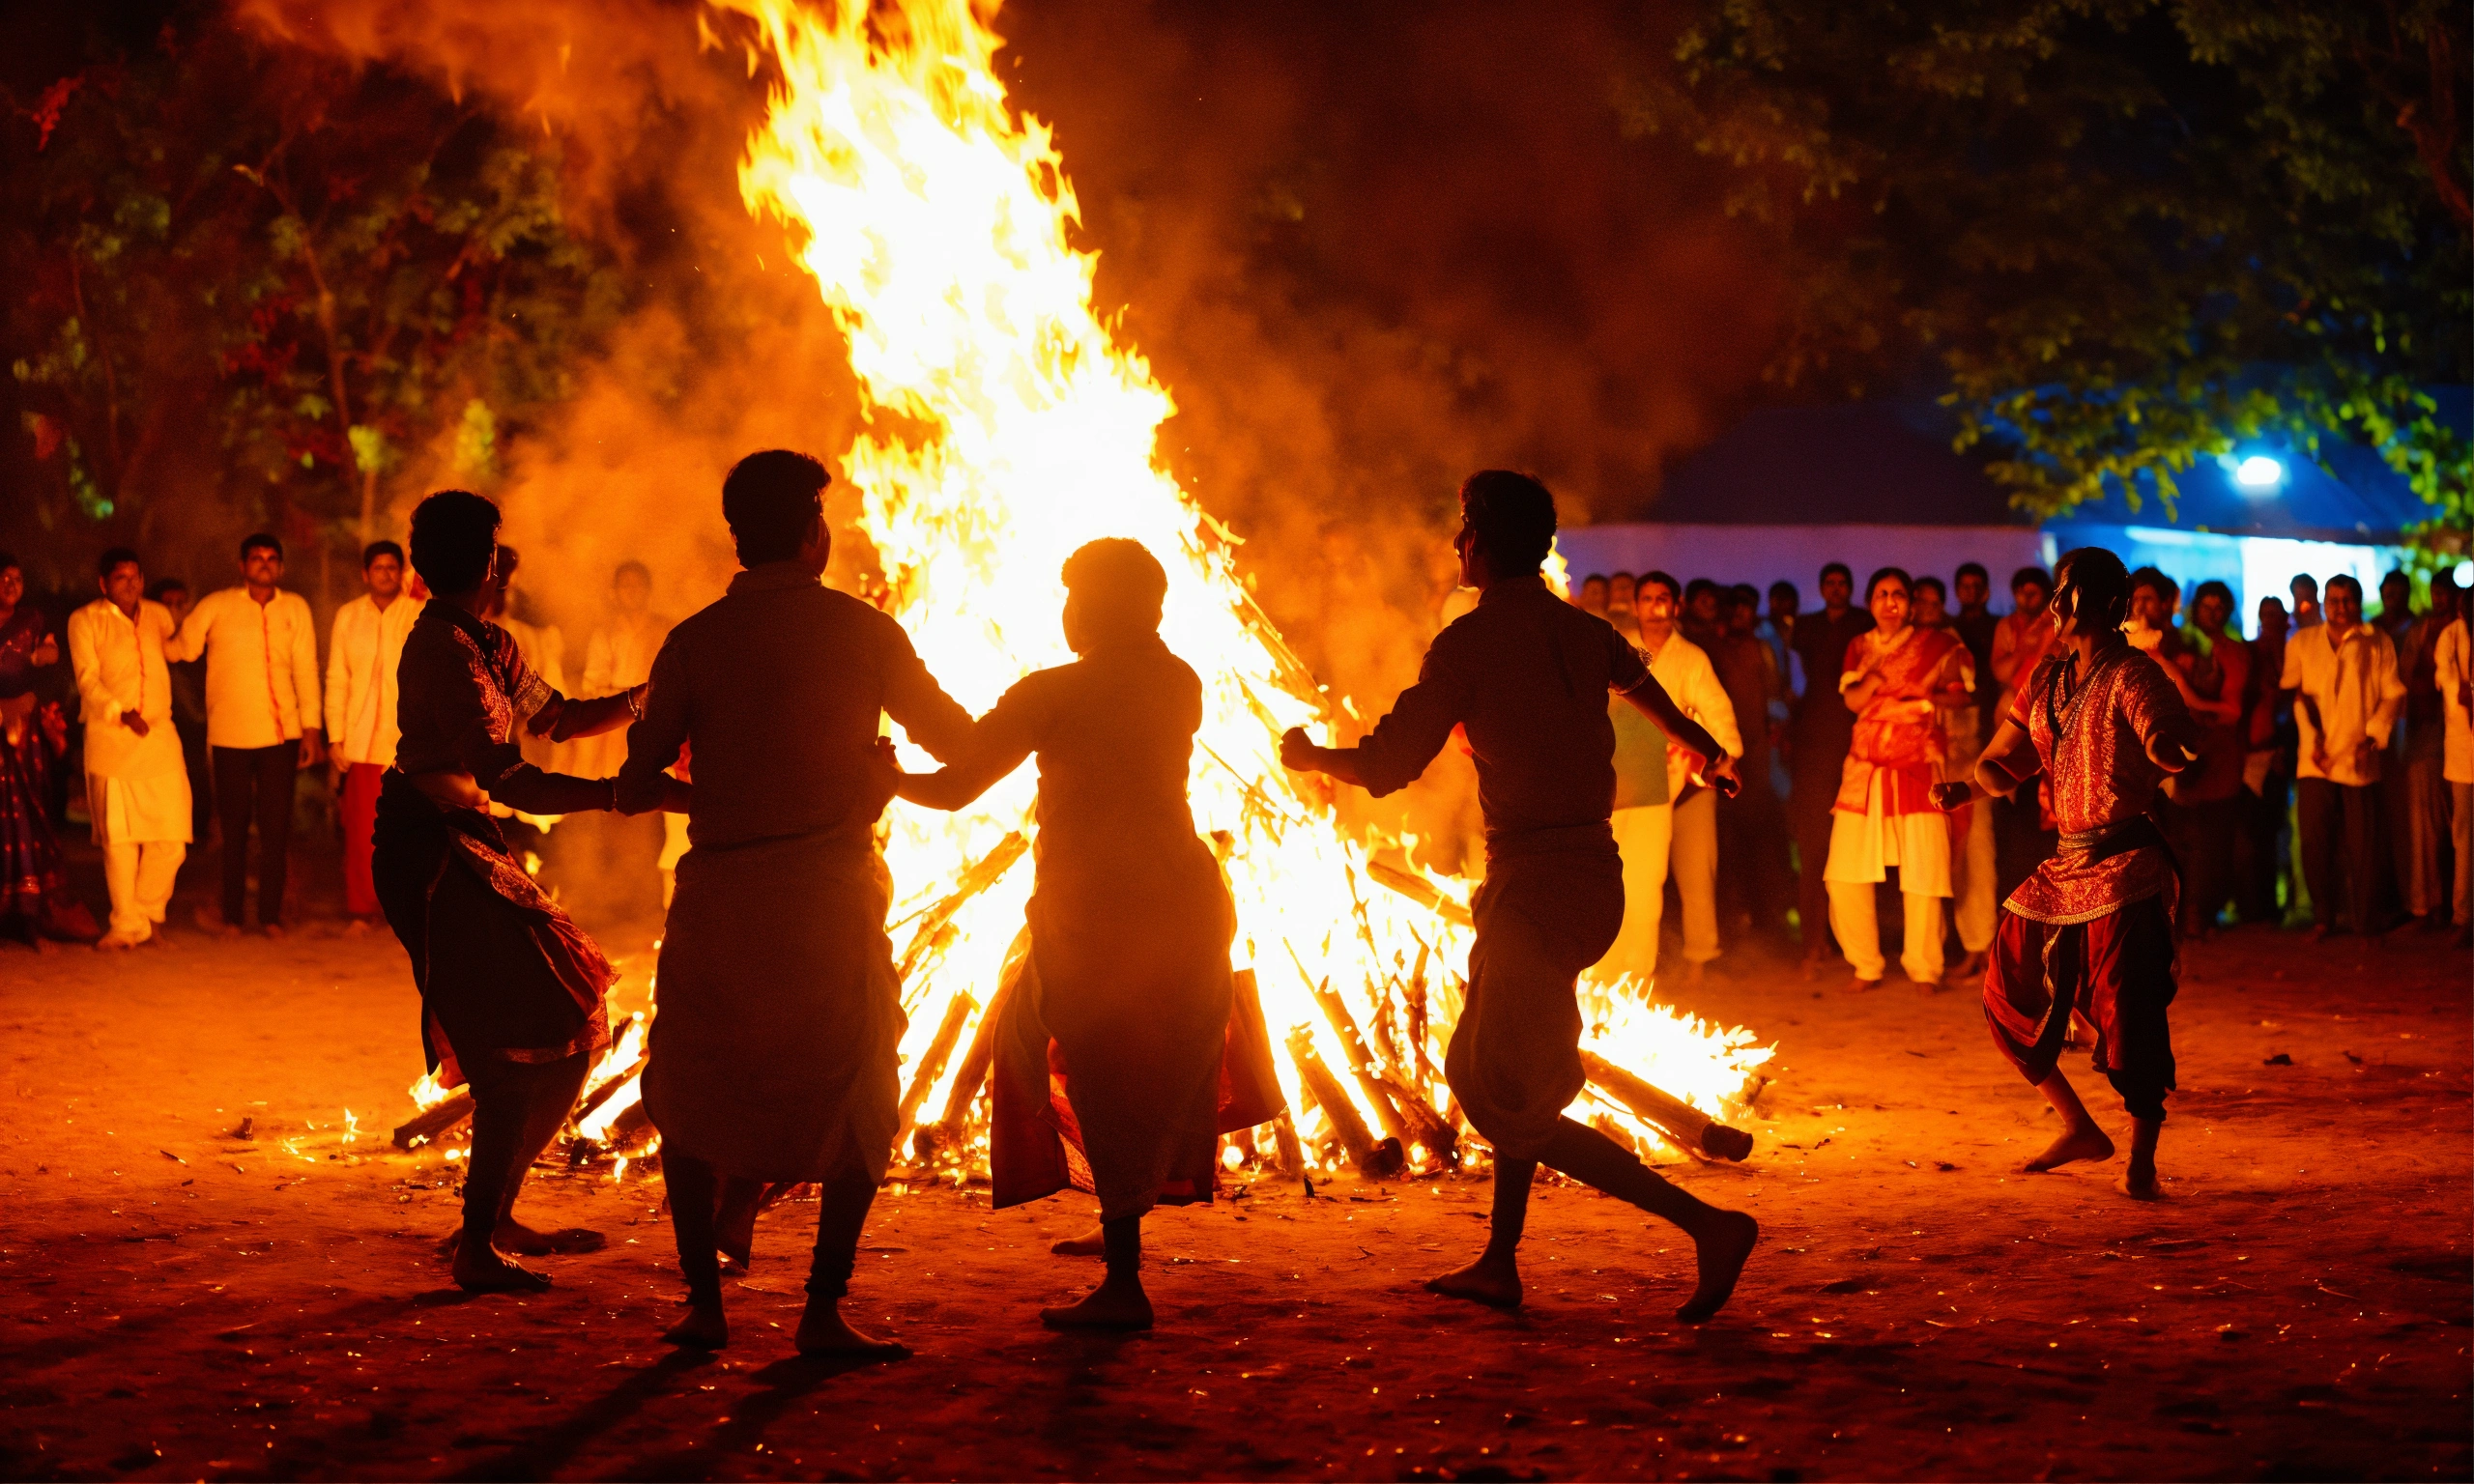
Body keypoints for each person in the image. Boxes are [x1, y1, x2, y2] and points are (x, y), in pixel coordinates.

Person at [1280, 471, 1758, 1324]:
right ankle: (1501, 1260)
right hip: (1586, 881)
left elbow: (1390, 767)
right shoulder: (1586, 633)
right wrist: (1708, 754)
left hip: (1534, 890)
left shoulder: (1468, 643)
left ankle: (1707, 1226)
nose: (1458, 545)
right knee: (1505, 1072)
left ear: (1487, 541)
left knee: (1493, 1087)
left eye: (1466, 529)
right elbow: (1652, 704)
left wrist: (1313, 757)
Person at [618, 450, 976, 1357]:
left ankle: (705, 1307)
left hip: (724, 901)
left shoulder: (696, 639)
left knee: (696, 1099)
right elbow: (962, 747)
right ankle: (821, 1310)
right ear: (814, 534)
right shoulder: (866, 634)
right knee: (857, 1096)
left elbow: (638, 774)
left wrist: (713, 793)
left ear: (741, 536)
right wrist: (888, 780)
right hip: (828, 900)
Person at [889, 538, 1249, 1332]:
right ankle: (1116, 1211)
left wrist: (883, 778)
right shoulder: (1177, 679)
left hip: (1103, 912)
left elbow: (956, 786)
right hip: (1178, 897)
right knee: (1068, 1051)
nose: (1066, 612)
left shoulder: (1057, 690)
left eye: (1074, 597)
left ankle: (1125, 1283)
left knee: (1102, 1071)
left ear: (1095, 609)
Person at [379, 489, 657, 1293]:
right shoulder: (442, 650)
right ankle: (476, 1243)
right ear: (489, 561)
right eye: (497, 548)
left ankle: (494, 1217)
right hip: (427, 850)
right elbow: (516, 780)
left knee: (580, 1013)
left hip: (467, 842)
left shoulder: (488, 642)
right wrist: (614, 796)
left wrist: (649, 696)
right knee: (511, 1047)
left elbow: (562, 719)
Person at [1938, 546, 2200, 1201]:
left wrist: (2174, 747)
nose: (2056, 605)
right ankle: (2080, 1127)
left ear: (2108, 607)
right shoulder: (2048, 677)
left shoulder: (2136, 674)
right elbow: (2009, 760)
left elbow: (2168, 736)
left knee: (2128, 1013)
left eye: (2069, 592)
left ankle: (2142, 1157)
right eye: (2057, 591)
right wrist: (1973, 785)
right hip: (2066, 863)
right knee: (2006, 988)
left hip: (2125, 866)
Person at [165, 533, 325, 937]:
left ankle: (270, 916)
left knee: (276, 829)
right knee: (233, 830)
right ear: (242, 566)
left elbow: (306, 668)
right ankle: (232, 916)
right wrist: (151, 622)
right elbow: (181, 648)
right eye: (256, 558)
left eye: (272, 558)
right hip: (230, 734)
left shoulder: (295, 608)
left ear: (281, 568)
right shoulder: (217, 606)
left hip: (281, 735)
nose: (265, 564)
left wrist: (311, 730)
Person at [1824, 567, 1970, 989]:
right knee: (1844, 871)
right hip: (1865, 767)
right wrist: (1873, 679)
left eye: (1899, 595)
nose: (1890, 602)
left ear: (1911, 602)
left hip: (1917, 763)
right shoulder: (1859, 646)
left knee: (1925, 868)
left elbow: (1962, 694)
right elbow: (1852, 701)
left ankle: (1924, 966)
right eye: (1882, 594)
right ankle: (1865, 963)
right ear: (1870, 602)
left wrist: (1926, 697)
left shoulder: (1939, 644)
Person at [68, 549, 192, 950]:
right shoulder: (86, 620)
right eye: (121, 578)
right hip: (112, 738)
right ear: (104, 584)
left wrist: (207, 620)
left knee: (171, 836)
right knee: (119, 841)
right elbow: (87, 679)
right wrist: (120, 713)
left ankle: (146, 913)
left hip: (158, 734)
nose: (131, 584)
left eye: (136, 576)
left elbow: (176, 650)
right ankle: (125, 925)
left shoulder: (158, 614)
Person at [2282, 574, 2404, 942]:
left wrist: (2374, 735)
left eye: (2347, 600)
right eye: (2333, 600)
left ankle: (2365, 918)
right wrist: (2311, 738)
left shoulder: (2376, 641)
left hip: (2357, 752)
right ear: (2323, 602)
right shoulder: (2303, 641)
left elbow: (2393, 693)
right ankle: (2323, 917)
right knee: (2315, 840)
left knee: (2363, 842)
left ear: (2359, 602)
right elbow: (2298, 696)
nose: (2340, 607)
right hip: (2314, 758)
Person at [1633, 571, 1742, 984]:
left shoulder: (1691, 658)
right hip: (1639, 784)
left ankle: (1698, 959)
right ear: (1637, 605)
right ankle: (1637, 967)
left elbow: (1719, 715)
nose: (1657, 607)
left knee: (1697, 875)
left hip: (1691, 781)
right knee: (1640, 879)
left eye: (1664, 598)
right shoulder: (1626, 652)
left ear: (1677, 606)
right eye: (1648, 598)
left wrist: (1720, 761)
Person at [325, 540, 421, 932]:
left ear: (402, 573)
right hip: (361, 741)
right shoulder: (349, 617)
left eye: (392, 567)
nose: (385, 573)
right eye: (377, 567)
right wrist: (336, 736)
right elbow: (337, 677)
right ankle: (362, 910)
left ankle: (407, 911)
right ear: (366, 574)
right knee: (363, 832)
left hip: (407, 742)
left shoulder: (417, 612)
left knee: (412, 831)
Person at [0, 553, 93, 948]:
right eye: (3, 579)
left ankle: (31, 913)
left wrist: (43, 657)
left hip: (23, 731)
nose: (11, 586)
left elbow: (52, 657)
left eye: (17, 579)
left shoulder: (32, 621)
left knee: (28, 815)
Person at [1786, 562, 1873, 972]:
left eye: (1843, 583)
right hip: (1813, 749)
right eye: (1830, 583)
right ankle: (1813, 944)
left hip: (1856, 742)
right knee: (1814, 853)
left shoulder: (1864, 624)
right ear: (1822, 588)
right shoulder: (1805, 626)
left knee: (1860, 854)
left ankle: (1857, 946)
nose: (1836, 588)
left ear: (1850, 589)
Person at [1712, 585, 1791, 943]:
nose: (1741, 616)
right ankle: (1731, 919)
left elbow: (1775, 695)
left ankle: (1766, 917)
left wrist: (1773, 734)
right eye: (1736, 609)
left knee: (1760, 838)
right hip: (1717, 758)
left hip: (1757, 760)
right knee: (1725, 845)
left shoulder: (1761, 650)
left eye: (1747, 609)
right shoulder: (1711, 652)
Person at [2388, 574, 2454, 929]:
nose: (2440, 600)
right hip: (2423, 738)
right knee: (2423, 827)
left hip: (2449, 737)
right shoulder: (2423, 631)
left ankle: (2450, 906)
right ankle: (2427, 905)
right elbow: (2406, 681)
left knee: (2453, 828)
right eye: (2437, 594)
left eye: (2446, 594)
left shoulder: (2454, 630)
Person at [1988, 566, 2057, 901]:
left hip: (2048, 726)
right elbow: (1999, 670)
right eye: (2022, 592)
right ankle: (2014, 901)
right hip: (2013, 722)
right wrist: (2024, 647)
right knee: (2011, 815)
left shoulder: (2058, 625)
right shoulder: (2008, 627)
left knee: (2043, 815)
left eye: (2034, 593)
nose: (2027, 599)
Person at [2232, 596, 2295, 926]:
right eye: (2265, 614)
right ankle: (2253, 909)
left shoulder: (2293, 652)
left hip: (2281, 753)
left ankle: (2273, 907)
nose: (2270, 620)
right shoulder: (2251, 654)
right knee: (2252, 835)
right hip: (2253, 754)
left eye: (2275, 614)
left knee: (2275, 834)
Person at [145, 578, 215, 843]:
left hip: (194, 728)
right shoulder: (144, 638)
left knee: (194, 776)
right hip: (155, 727)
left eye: (180, 603)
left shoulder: (197, 641)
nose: (175, 609)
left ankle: (196, 829)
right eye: (168, 604)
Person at [2432, 597, 2471, 946]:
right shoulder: (2451, 638)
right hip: (2463, 756)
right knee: (2465, 838)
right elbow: (2450, 687)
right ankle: (2463, 916)